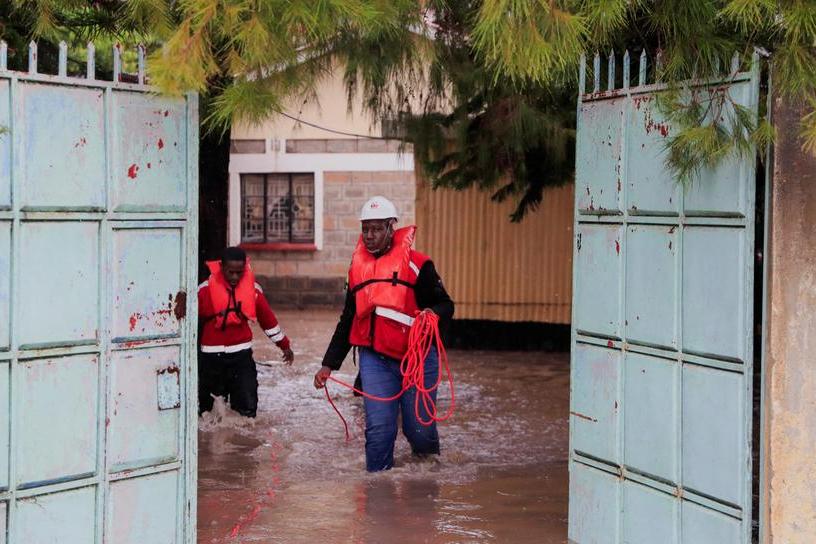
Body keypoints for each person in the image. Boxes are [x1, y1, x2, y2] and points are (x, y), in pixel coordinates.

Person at [314, 196, 454, 471]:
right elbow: (347, 320)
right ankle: (378, 498)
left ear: (392, 228)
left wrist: (432, 314)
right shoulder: (357, 270)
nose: (370, 236)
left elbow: (446, 304)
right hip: (375, 359)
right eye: (365, 229)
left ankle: (428, 477)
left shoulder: (418, 266)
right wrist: (328, 365)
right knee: (379, 430)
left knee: (419, 431)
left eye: (377, 229)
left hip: (418, 360)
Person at [198, 247, 294, 417]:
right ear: (221, 268)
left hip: (241, 357)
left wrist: (284, 345)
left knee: (247, 408)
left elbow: (268, 321)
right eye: (231, 272)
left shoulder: (253, 290)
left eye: (239, 273)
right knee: (208, 411)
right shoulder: (204, 291)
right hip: (211, 358)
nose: (235, 277)